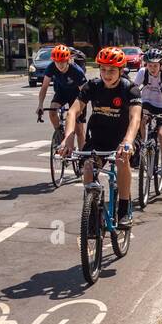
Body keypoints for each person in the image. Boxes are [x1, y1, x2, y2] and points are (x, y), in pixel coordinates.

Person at [60, 47, 142, 228]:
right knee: (88, 167)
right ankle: (92, 212)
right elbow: (73, 111)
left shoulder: (130, 90)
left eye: (112, 70)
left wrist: (128, 141)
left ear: (121, 71)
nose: (107, 74)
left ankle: (123, 208)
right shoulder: (93, 86)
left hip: (123, 139)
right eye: (103, 69)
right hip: (98, 138)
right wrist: (68, 138)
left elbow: (135, 118)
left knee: (122, 160)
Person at [135, 48, 162, 182]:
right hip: (147, 103)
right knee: (140, 119)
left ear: (161, 65)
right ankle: (142, 147)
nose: (152, 69)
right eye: (150, 65)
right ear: (146, 65)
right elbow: (133, 89)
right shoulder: (142, 73)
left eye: (155, 65)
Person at [36, 45, 87, 145]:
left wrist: (80, 109)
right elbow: (44, 87)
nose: (59, 64)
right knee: (52, 111)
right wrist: (40, 105)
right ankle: (60, 134)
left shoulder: (76, 71)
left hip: (76, 94)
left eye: (62, 61)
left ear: (68, 60)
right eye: (57, 61)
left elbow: (85, 92)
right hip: (61, 92)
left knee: (78, 129)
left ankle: (82, 157)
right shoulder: (51, 67)